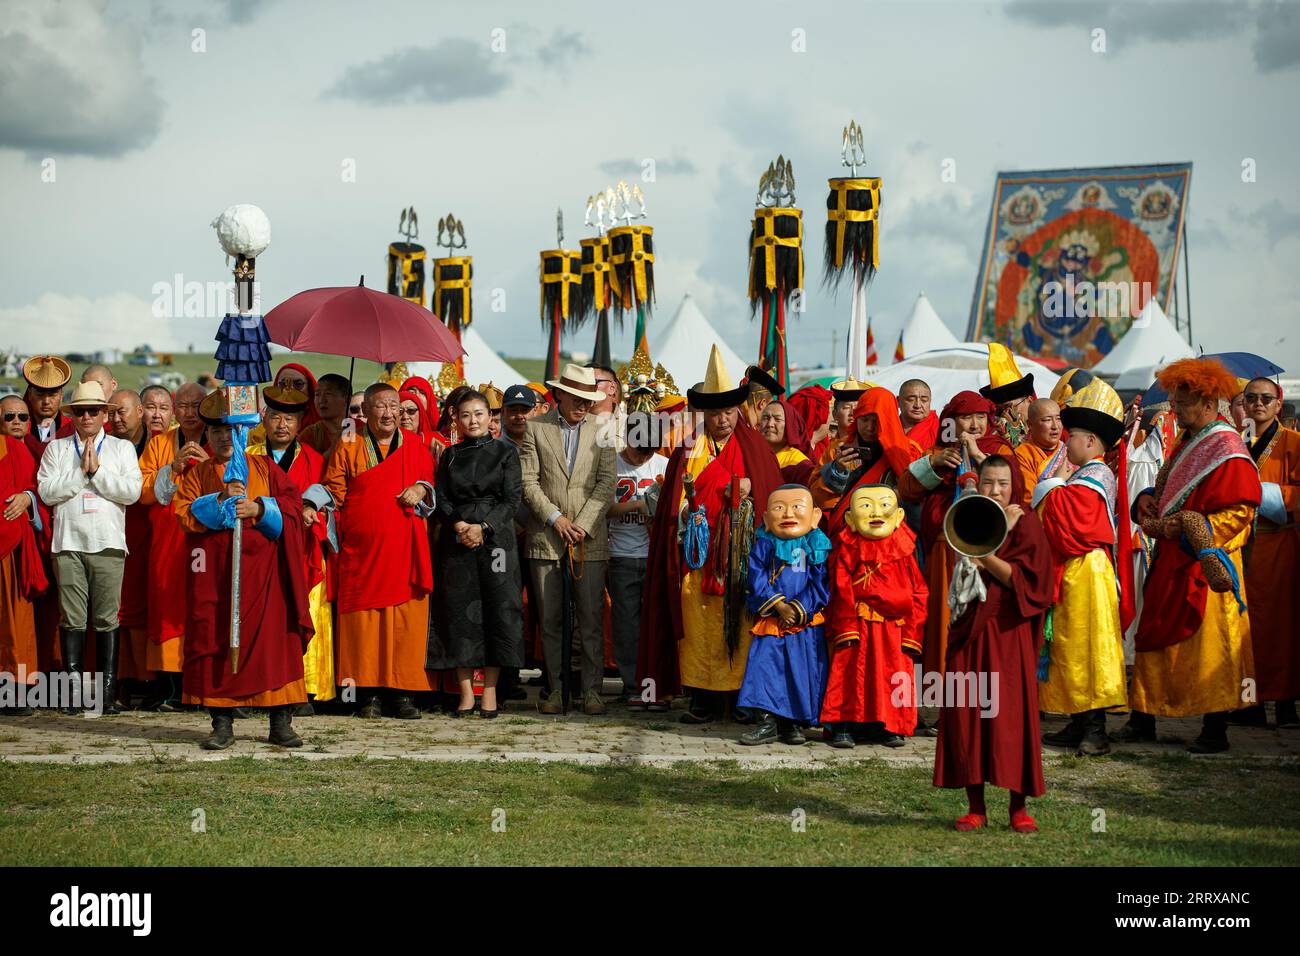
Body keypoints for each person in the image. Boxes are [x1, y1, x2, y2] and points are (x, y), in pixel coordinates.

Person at [1119, 358, 1263, 753]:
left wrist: (1190, 529)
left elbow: (1240, 513)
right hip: (1171, 557)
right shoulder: (1188, 441)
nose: (1174, 410)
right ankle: (1143, 717)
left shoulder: (1227, 448)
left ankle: (1214, 729)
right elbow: (1165, 489)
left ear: (1206, 403)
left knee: (1210, 647)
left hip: (1208, 561)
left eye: (1182, 404)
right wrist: (1148, 501)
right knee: (1153, 635)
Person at [637, 347, 784, 723]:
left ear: (739, 411)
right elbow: (672, 508)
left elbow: (771, 499)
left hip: (741, 557)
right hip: (695, 559)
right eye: (715, 413)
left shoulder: (756, 450)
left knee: (741, 623)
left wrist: (747, 491)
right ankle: (701, 698)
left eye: (729, 412)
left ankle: (742, 698)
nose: (722, 420)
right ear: (702, 414)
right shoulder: (686, 453)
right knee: (699, 626)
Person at [173, 389, 312, 750]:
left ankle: (281, 722)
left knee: (276, 644)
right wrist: (220, 501)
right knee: (213, 642)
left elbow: (293, 508)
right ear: (207, 433)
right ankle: (221, 723)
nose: (223, 436)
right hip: (215, 578)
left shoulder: (266, 468)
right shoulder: (197, 474)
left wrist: (260, 509)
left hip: (265, 577)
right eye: (217, 429)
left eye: (231, 429)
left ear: (246, 432)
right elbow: (184, 515)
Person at [934, 455, 1054, 833]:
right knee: (969, 713)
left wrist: (988, 552)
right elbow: (961, 557)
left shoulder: (1028, 523)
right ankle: (976, 807)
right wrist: (984, 550)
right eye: (988, 483)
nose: (996, 491)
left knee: (1010, 716)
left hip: (1008, 631)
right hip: (971, 628)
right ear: (978, 483)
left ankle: (1018, 808)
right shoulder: (968, 513)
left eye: (1003, 483)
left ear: (1014, 485)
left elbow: (1030, 583)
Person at [322, 382, 436, 718]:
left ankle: (402, 694)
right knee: (363, 625)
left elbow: (429, 482)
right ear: (366, 410)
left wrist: (420, 487)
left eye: (394, 406)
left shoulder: (415, 445)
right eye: (380, 406)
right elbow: (334, 490)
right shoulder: (348, 442)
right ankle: (366, 695)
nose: (389, 413)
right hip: (362, 550)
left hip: (404, 550)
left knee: (403, 623)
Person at [1033, 378, 1129, 755]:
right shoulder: (1084, 476)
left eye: (1070, 436)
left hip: (1088, 573)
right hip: (1076, 573)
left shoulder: (1095, 478)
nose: (1064, 441)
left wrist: (1049, 491)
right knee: (1071, 647)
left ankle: (1096, 729)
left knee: (1090, 647)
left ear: (1090, 441)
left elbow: (1073, 526)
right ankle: (1077, 721)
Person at [36, 381, 142, 714]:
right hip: (68, 543)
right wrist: (82, 475)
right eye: (80, 411)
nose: (86, 417)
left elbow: (131, 492)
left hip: (108, 543)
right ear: (73, 415)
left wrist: (96, 472)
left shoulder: (122, 449)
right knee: (73, 620)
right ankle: (72, 695)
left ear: (104, 415)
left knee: (107, 619)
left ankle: (107, 695)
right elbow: (47, 492)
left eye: (93, 410)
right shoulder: (57, 448)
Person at [519, 364, 618, 715]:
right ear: (558, 394)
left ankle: (591, 692)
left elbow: (607, 484)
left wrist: (582, 523)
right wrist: (556, 519)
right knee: (550, 619)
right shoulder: (534, 428)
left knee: (591, 617)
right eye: (576, 398)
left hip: (589, 539)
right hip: (546, 537)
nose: (582, 405)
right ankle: (555, 690)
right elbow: (528, 482)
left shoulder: (603, 429)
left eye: (588, 399)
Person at [899, 391, 1016, 683]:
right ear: (953, 421)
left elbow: (1016, 489)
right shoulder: (940, 450)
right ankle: (944, 694)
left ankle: (986, 691)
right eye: (966, 417)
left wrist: (980, 458)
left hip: (989, 546)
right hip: (944, 546)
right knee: (945, 617)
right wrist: (935, 463)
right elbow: (908, 489)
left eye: (980, 417)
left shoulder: (999, 449)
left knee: (983, 618)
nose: (975, 424)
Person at [427, 389, 524, 717]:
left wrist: (482, 528)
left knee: (498, 611)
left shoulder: (506, 452)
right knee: (458, 612)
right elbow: (442, 498)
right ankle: (466, 692)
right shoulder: (450, 455)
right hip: (457, 540)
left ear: (490, 417)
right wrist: (458, 526)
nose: (473, 421)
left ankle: (491, 692)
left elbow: (512, 499)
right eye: (466, 415)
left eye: (479, 414)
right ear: (456, 418)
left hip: (497, 540)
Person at [246, 387, 334, 710]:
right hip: (259, 551)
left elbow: (331, 502)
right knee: (260, 618)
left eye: (290, 419)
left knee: (305, 610)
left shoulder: (315, 460)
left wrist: (315, 512)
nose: (282, 425)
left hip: (303, 551)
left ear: (300, 424)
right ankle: (254, 687)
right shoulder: (249, 455)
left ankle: (304, 689)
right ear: (264, 419)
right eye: (276, 417)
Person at [821, 483, 926, 748]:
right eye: (866, 506)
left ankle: (888, 726)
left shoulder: (905, 548)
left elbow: (918, 591)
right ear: (850, 518)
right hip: (859, 623)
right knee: (852, 675)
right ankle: (845, 725)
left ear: (899, 516)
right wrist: (846, 625)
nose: (875, 512)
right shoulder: (848, 546)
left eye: (884, 505)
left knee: (891, 675)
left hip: (894, 627)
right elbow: (840, 587)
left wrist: (913, 631)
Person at [736, 484, 831, 745]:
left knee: (799, 672)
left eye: (797, 507)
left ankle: (792, 724)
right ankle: (767, 722)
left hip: (803, 624)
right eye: (779, 508)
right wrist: (779, 607)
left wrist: (798, 610)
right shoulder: (764, 545)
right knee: (764, 669)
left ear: (814, 516)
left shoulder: (815, 545)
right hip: (771, 621)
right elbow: (755, 579)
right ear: (766, 518)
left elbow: (819, 585)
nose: (788, 513)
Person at [138, 382, 210, 696]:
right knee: (167, 604)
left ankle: (203, 682)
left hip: (206, 538)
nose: (190, 412)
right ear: (174, 410)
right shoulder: (159, 444)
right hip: (168, 539)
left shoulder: (218, 439)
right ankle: (170, 686)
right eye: (183, 405)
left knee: (204, 606)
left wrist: (208, 462)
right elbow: (142, 491)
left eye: (197, 405)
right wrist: (174, 467)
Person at [1239, 377, 1299, 729]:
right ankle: (1249, 703)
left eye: (1266, 398)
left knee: (1282, 629)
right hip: (1241, 546)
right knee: (1244, 631)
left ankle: (1287, 704)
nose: (1258, 404)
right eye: (1251, 398)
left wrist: (1265, 493)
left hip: (1278, 544)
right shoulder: (1235, 443)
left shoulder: (1294, 443)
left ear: (1278, 405)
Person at [607, 410, 669, 704]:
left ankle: (655, 687)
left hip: (654, 555)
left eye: (649, 451)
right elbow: (603, 508)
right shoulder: (611, 464)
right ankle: (634, 686)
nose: (644, 456)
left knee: (655, 624)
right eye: (639, 449)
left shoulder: (664, 465)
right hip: (621, 555)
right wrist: (638, 504)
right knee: (626, 626)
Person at [819, 387, 924, 530]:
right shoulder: (839, 448)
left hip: (893, 537)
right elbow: (818, 499)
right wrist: (836, 471)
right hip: (847, 535)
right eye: (864, 419)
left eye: (876, 421)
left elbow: (920, 499)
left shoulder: (909, 451)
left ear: (889, 420)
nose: (869, 427)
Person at [108, 389, 156, 701]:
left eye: (122, 412)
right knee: (115, 608)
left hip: (145, 532)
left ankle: (146, 680)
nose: (115, 419)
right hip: (113, 530)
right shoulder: (106, 443)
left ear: (140, 411)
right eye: (112, 413)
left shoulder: (155, 445)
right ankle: (122, 677)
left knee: (138, 610)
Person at [0, 431, 45, 715]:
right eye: (9, 417)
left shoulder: (14, 448)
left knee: (15, 621)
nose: (16, 423)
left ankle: (15, 690)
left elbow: (36, 486)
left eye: (20, 417)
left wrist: (28, 498)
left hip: (10, 550)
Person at [807, 379, 872, 514]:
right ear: (835, 415)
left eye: (857, 407)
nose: (852, 412)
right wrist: (836, 470)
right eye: (847, 407)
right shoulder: (831, 449)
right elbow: (815, 491)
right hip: (838, 512)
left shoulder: (870, 441)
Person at [979, 343, 1034, 449]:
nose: (1005, 415)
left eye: (1010, 408)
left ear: (1030, 401)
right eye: (999, 410)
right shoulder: (993, 432)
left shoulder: (1047, 427)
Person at [1013, 399, 1066, 507]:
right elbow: (1031, 498)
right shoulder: (1022, 454)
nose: (1055, 426)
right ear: (1030, 424)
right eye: (1047, 420)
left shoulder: (1069, 451)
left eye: (1058, 419)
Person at [758, 398, 814, 486]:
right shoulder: (752, 455)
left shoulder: (800, 466)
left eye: (777, 419)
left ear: (789, 426)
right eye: (766, 418)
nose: (770, 424)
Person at [300, 373, 351, 457]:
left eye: (328, 394)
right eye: (317, 394)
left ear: (347, 400)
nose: (321, 400)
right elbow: (302, 468)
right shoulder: (310, 435)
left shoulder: (361, 430)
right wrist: (331, 451)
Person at [898, 379, 939, 449]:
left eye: (924, 400)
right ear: (898, 401)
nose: (917, 405)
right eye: (911, 399)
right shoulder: (887, 428)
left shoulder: (941, 429)